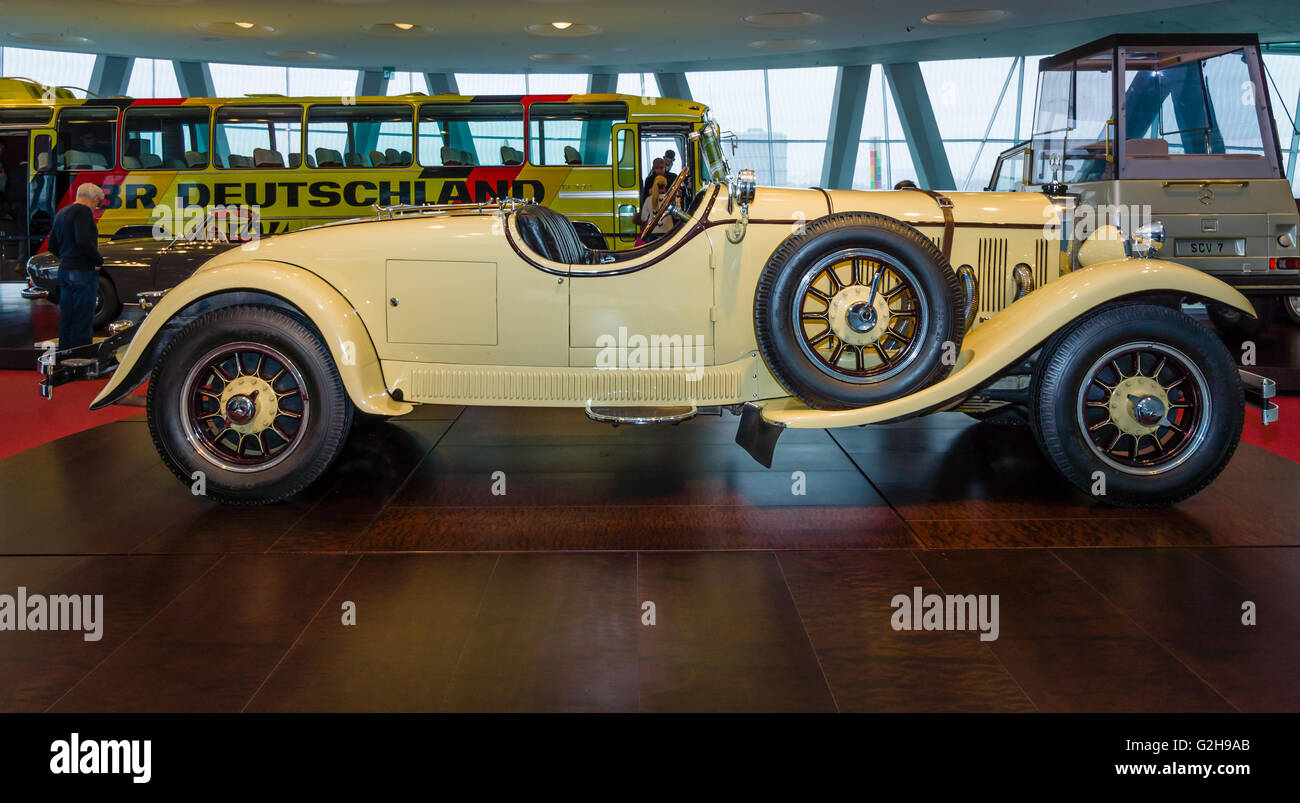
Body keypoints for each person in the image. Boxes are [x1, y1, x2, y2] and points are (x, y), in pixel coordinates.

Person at [47, 183, 105, 350]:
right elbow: (83, 241)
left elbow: (52, 246)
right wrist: (97, 261)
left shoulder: (62, 213)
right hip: (82, 272)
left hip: (64, 270)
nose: (96, 207)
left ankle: (65, 353)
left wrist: (67, 257)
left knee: (67, 317)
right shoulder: (83, 212)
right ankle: (81, 356)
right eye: (97, 203)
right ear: (94, 199)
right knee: (83, 318)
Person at [639, 175, 676, 241]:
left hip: (652, 233)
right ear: (665, 185)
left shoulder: (648, 199)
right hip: (667, 232)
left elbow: (643, 218)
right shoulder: (671, 199)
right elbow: (677, 216)